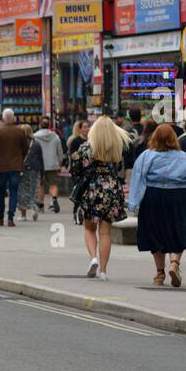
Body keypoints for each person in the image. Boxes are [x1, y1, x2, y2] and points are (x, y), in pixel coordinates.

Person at [127, 122, 186, 287]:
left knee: (155, 232)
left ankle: (159, 273)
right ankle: (174, 263)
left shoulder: (147, 155)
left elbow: (138, 178)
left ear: (154, 137)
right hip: (178, 196)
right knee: (178, 230)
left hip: (153, 196)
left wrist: (133, 203)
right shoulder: (183, 156)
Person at [69, 115, 129, 281]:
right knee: (105, 233)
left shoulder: (86, 148)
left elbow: (74, 169)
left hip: (92, 189)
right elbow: (119, 169)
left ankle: (93, 258)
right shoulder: (117, 147)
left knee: (89, 228)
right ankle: (103, 271)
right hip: (111, 189)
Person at [0, 108, 29, 226]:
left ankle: (0, 217)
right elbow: (25, 149)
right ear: (13, 118)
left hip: (1, 166)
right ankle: (11, 217)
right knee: (13, 192)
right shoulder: (19, 131)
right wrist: (20, 159)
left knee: (0, 192)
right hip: (15, 166)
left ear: (3, 118)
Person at [34, 117, 63, 213]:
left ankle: (41, 205)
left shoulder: (35, 137)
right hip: (52, 164)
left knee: (40, 185)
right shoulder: (55, 136)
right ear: (49, 125)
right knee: (53, 184)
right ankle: (54, 199)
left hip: (39, 165)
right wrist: (60, 163)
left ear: (40, 125)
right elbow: (59, 151)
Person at [18, 124, 44, 222]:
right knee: (33, 190)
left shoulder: (19, 143)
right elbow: (41, 159)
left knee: (22, 192)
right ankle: (34, 207)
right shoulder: (37, 143)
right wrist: (42, 172)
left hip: (22, 169)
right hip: (35, 169)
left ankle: (23, 215)